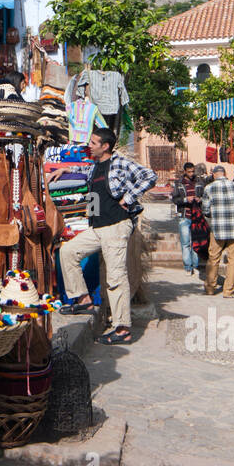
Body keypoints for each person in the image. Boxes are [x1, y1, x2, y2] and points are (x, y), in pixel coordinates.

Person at [59, 127, 157, 345]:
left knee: (115, 277)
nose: (89, 145)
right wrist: (65, 172)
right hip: (97, 228)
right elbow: (85, 175)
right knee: (68, 251)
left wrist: (128, 198)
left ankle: (122, 328)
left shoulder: (119, 162)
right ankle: (83, 298)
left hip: (116, 227)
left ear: (105, 146)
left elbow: (149, 175)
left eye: (94, 143)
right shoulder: (95, 166)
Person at [201, 165, 234, 298]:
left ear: (214, 175)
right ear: (225, 173)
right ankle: (229, 291)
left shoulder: (209, 188)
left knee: (213, 258)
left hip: (217, 229)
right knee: (233, 260)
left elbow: (206, 210)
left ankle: (210, 288)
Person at [171, 162, 204, 275]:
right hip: (184, 216)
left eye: (193, 171)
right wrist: (185, 199)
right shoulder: (179, 184)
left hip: (197, 216)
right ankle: (188, 267)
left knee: (196, 241)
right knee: (185, 243)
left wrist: (200, 199)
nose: (191, 174)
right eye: (189, 171)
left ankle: (195, 265)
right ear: (185, 171)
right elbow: (175, 199)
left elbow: (205, 196)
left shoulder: (199, 182)